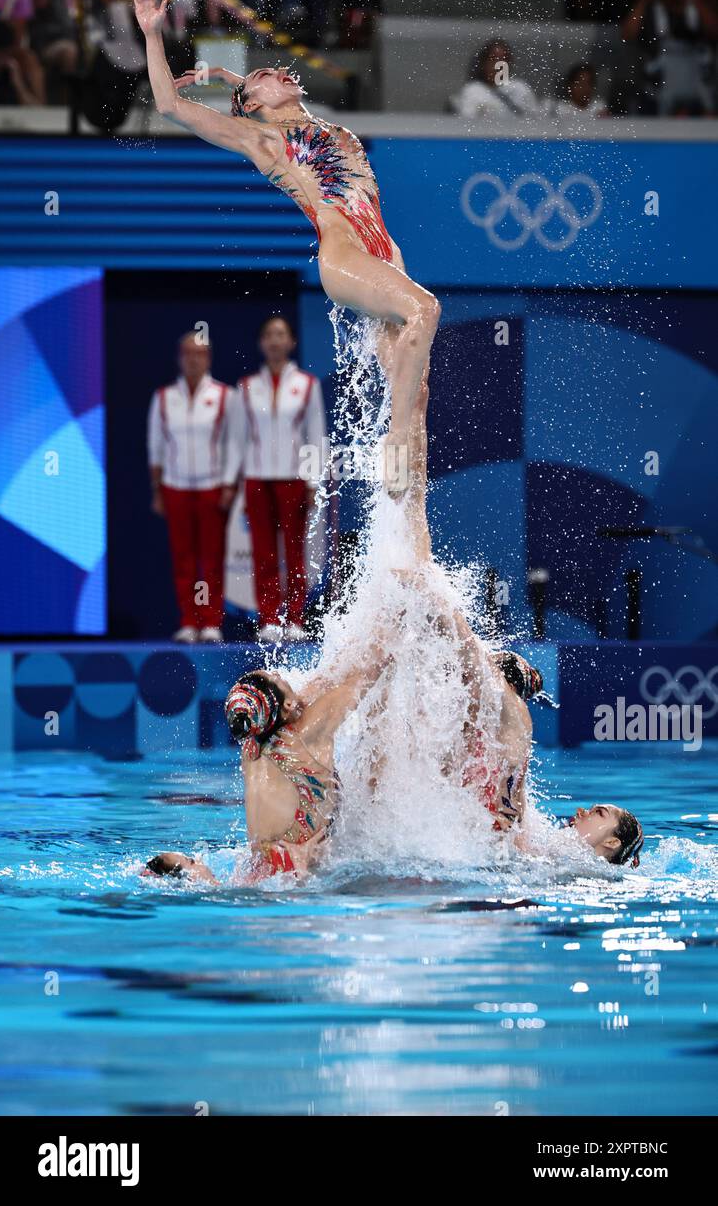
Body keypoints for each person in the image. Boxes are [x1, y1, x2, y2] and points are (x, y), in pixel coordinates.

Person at [145, 379, 644, 884]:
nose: (585, 813)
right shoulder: (498, 739)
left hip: (277, 880)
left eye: (599, 815)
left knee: (381, 739)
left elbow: (363, 682)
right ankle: (407, 438)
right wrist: (422, 607)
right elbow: (373, 679)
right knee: (384, 725)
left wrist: (414, 609)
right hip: (321, 883)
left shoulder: (264, 745)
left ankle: (406, 435)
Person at [134, 0, 441, 497]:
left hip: (383, 249)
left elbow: (255, 96)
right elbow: (170, 105)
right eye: (264, 75)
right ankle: (390, 445)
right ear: (252, 105)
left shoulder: (309, 122)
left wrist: (231, 76)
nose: (280, 69)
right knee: (425, 311)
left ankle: (412, 550)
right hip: (345, 252)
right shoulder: (261, 137)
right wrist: (153, 36)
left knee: (416, 396)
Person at [228, 314, 326, 644]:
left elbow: (316, 434)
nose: (274, 340)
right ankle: (269, 618)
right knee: (264, 553)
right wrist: (237, 484)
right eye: (269, 334)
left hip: (293, 478)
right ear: (261, 343)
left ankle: (295, 618)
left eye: (280, 334)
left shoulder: (307, 385)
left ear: (291, 342)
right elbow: (238, 439)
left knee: (294, 552)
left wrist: (313, 482)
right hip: (257, 479)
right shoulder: (246, 387)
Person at [147, 331, 238, 643]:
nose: (193, 359)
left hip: (212, 485)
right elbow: (155, 446)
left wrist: (228, 485)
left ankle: (211, 621)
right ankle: (189, 620)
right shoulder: (163, 398)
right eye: (187, 354)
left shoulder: (224, 396)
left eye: (198, 354)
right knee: (183, 559)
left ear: (208, 358)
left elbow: (233, 443)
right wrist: (157, 489)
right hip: (176, 486)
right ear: (179, 358)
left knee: (211, 559)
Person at [621, 0, 718, 115]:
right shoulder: (650, 8)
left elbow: (714, 32)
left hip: (698, 93)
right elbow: (627, 35)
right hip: (656, 92)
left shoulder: (698, 6)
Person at [450, 39, 541, 118]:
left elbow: (535, 121)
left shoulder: (521, 89)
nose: (499, 65)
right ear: (483, 64)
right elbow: (466, 124)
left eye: (504, 59)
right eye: (494, 59)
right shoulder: (473, 91)